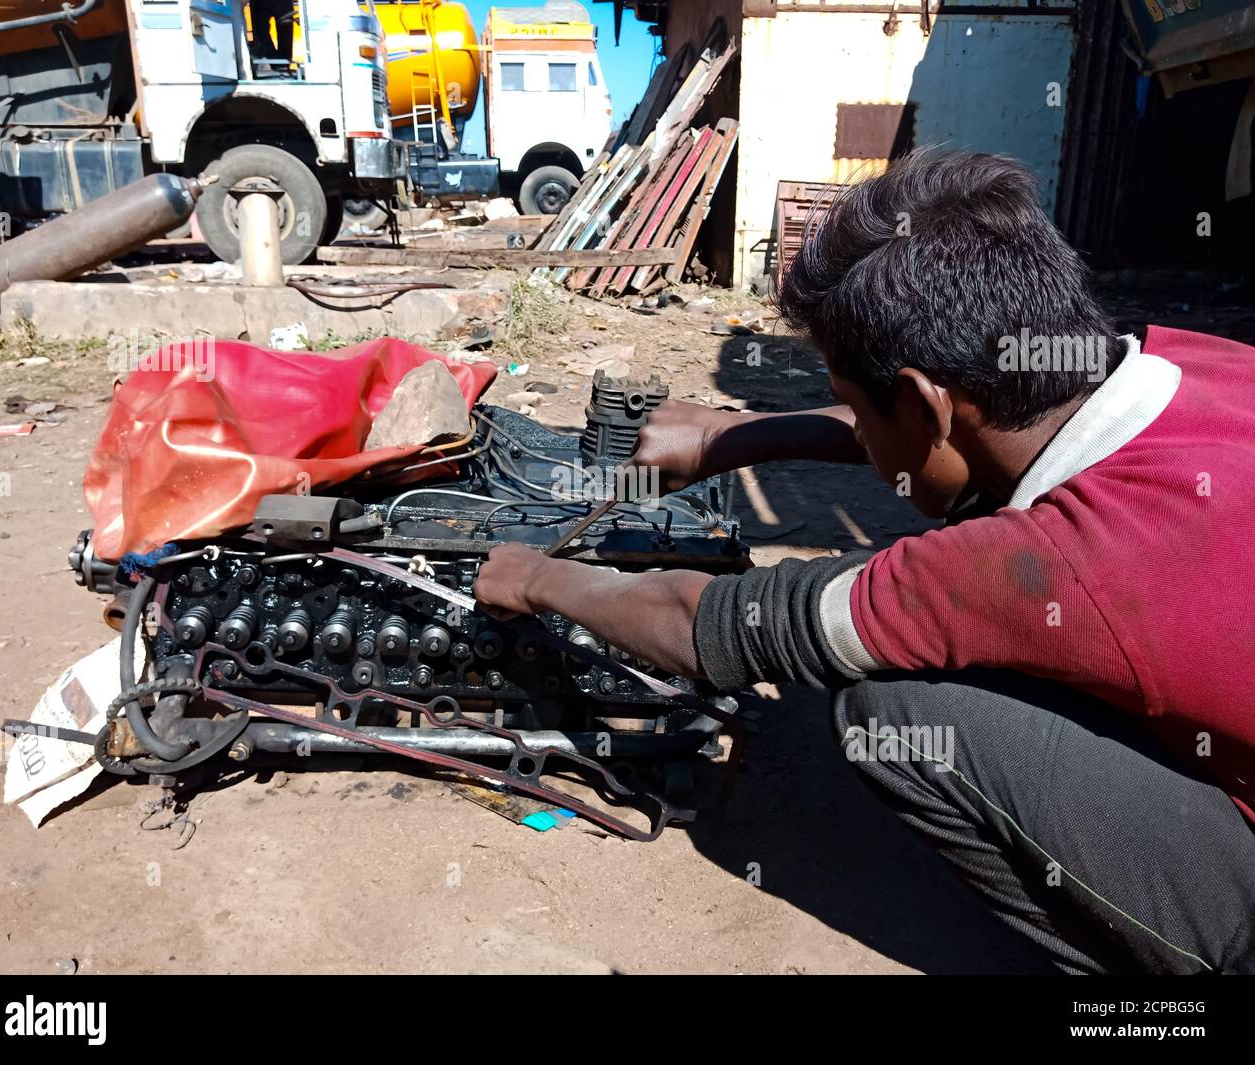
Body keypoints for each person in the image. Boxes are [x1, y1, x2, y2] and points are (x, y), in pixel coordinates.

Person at [472, 150, 1255, 974]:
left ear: (921, 404)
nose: (849, 419)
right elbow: (956, 425)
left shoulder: (1048, 564)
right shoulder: (1197, 364)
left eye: (850, 402)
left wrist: (535, 577)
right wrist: (723, 435)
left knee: (895, 709)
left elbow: (713, 626)